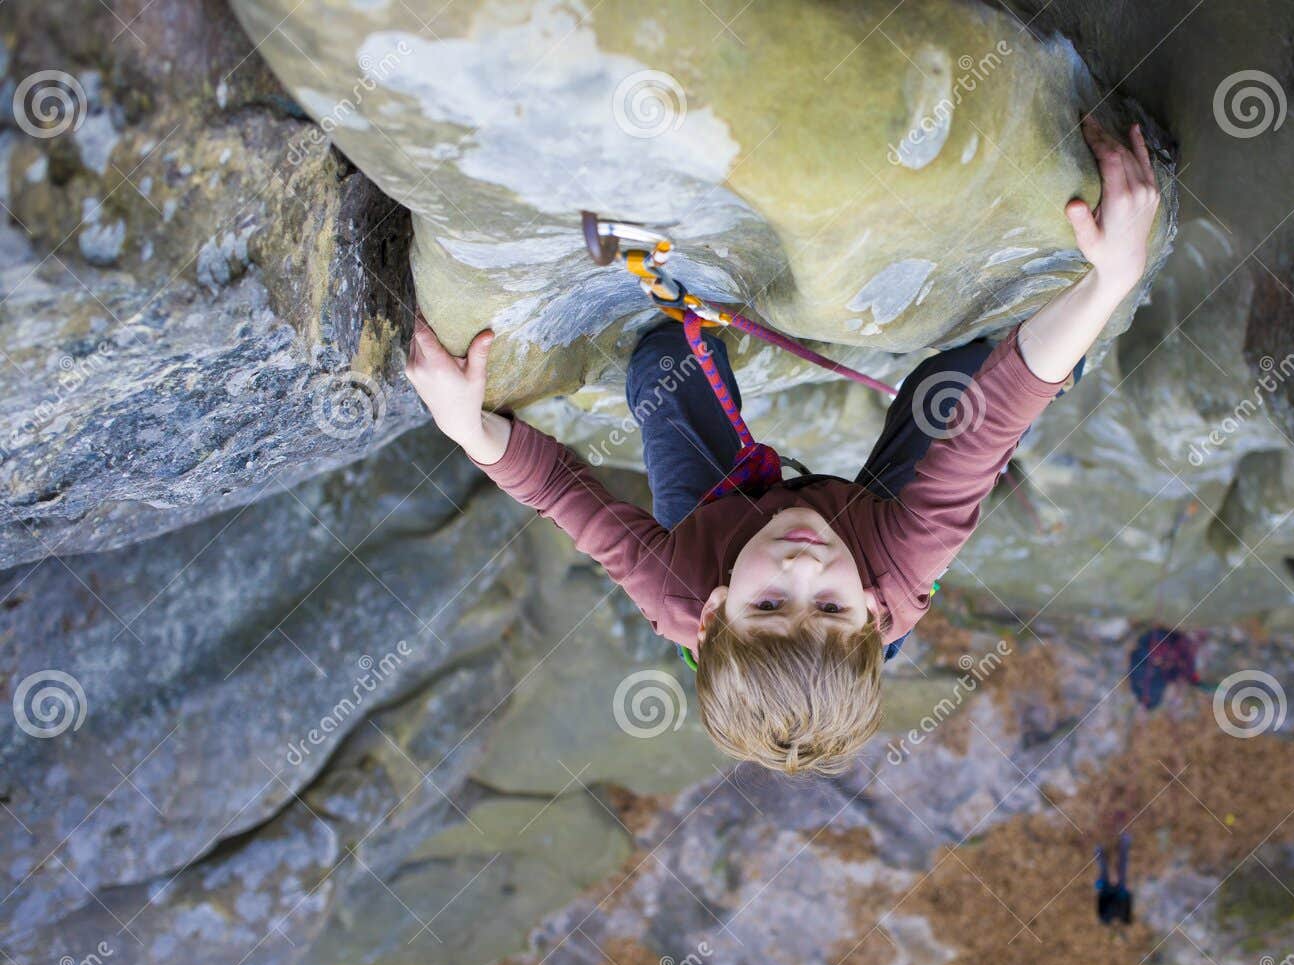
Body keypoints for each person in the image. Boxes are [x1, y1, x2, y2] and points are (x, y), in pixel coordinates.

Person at [405, 118, 1162, 774]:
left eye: (770, 601)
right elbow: (984, 435)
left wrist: (467, 426)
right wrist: (1105, 286)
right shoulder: (901, 562)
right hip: (869, 523)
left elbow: (571, 500)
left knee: (663, 366)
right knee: (961, 383)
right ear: (868, 609)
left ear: (713, 616)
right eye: (827, 605)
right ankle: (1063, 353)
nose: (803, 566)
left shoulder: (679, 584)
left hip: (727, 512)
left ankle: (682, 365)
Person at [1096, 832, 1134, 925]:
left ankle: (1099, 850)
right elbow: (1128, 901)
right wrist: (1127, 892)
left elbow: (1101, 901)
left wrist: (1102, 890)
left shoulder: (1104, 918)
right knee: (1122, 868)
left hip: (1107, 891)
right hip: (1119, 892)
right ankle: (1124, 843)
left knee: (1104, 871)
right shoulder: (1126, 918)